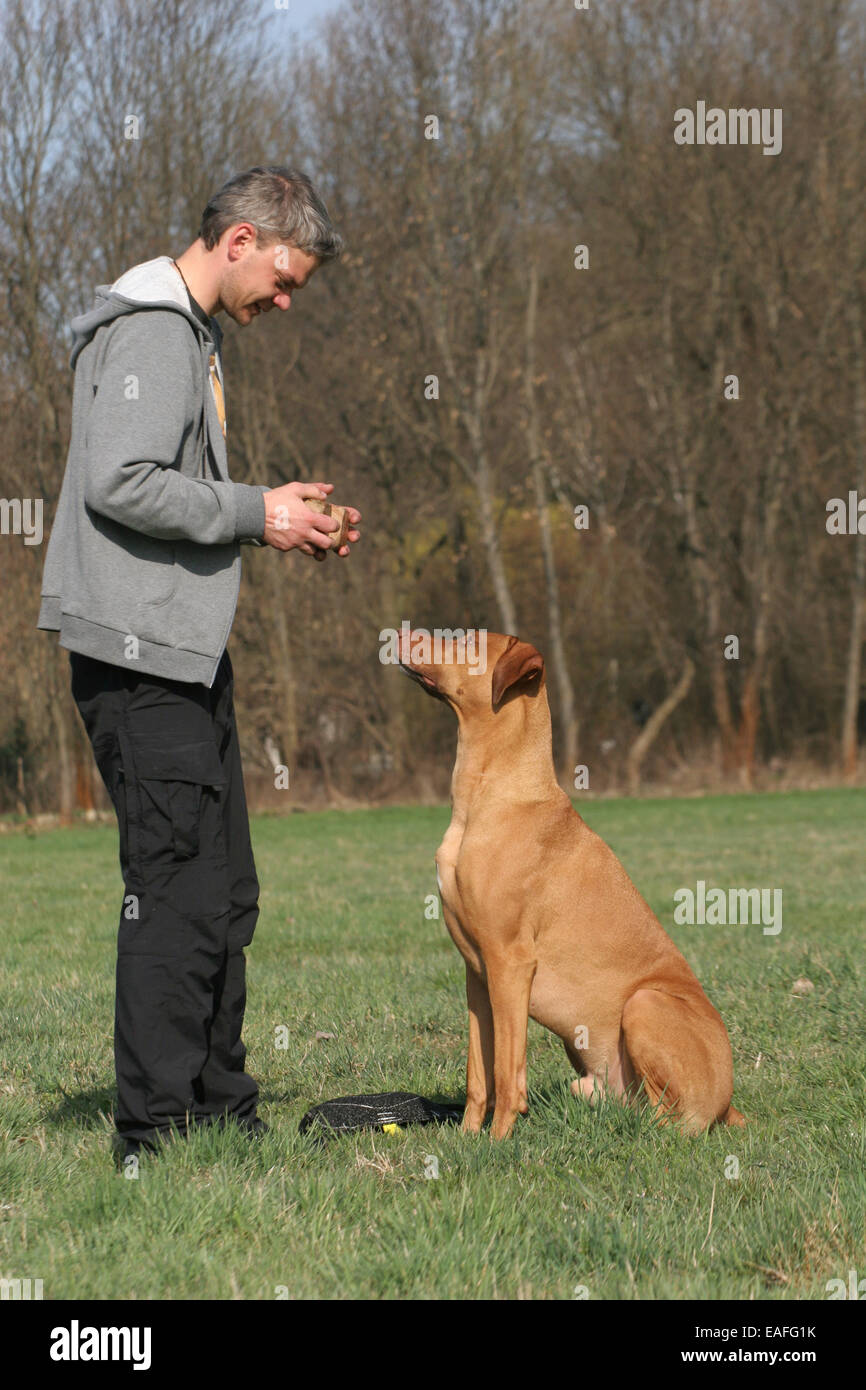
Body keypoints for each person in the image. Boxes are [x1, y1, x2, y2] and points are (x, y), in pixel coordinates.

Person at [37, 165, 361, 1163]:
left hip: (179, 654)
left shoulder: (187, 334)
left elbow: (168, 486)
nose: (286, 298)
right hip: (139, 661)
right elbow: (119, 481)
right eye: (285, 275)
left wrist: (271, 513)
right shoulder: (149, 331)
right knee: (172, 891)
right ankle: (154, 1133)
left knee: (222, 889)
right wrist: (254, 512)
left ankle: (221, 1111)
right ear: (241, 241)